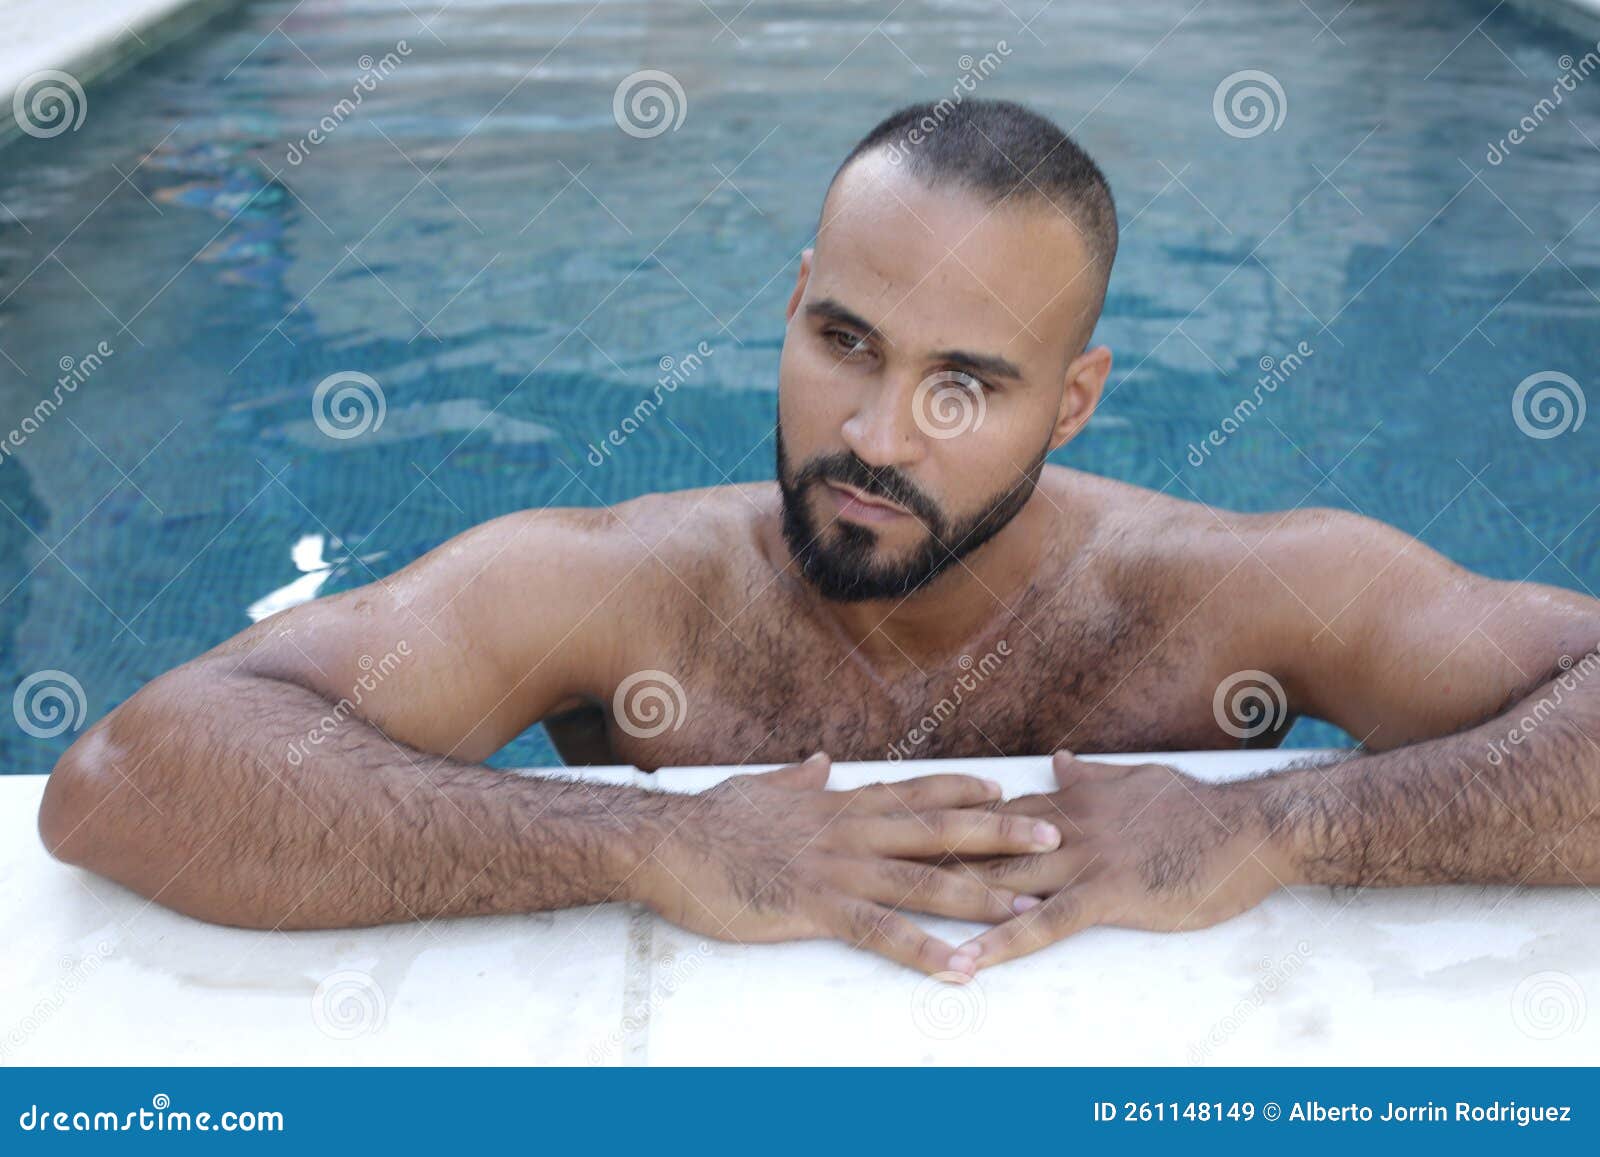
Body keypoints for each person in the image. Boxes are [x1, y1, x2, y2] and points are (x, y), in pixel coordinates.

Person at [39, 100, 1600, 982]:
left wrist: (1281, 826)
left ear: (1073, 403)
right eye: (846, 340)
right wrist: (655, 839)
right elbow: (129, 776)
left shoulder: (1237, 592)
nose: (874, 435)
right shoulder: (615, 586)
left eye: (964, 384)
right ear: (791, 301)